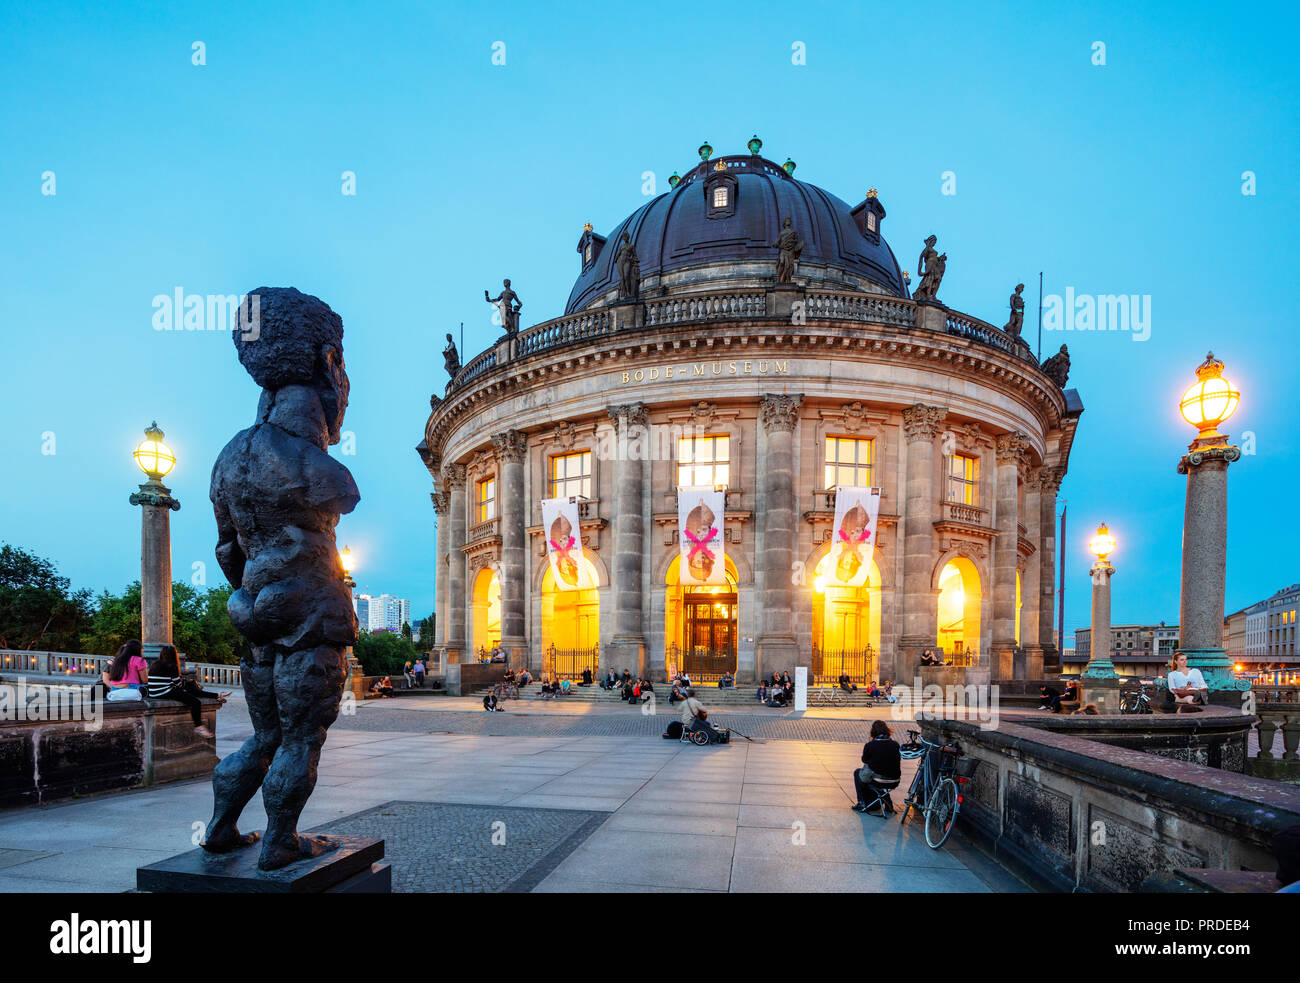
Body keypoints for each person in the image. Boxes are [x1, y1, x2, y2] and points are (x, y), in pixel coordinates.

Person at [147, 644, 230, 737]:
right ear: (174, 655)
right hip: (164, 692)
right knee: (195, 702)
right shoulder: (171, 665)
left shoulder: (155, 664)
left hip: (154, 693)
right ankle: (198, 726)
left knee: (190, 688)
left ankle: (218, 695)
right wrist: (186, 684)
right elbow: (178, 684)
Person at [852, 720, 902, 814]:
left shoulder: (870, 745)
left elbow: (864, 760)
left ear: (873, 732)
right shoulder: (895, 745)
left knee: (858, 773)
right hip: (895, 780)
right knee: (880, 776)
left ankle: (862, 802)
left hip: (879, 780)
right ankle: (886, 802)